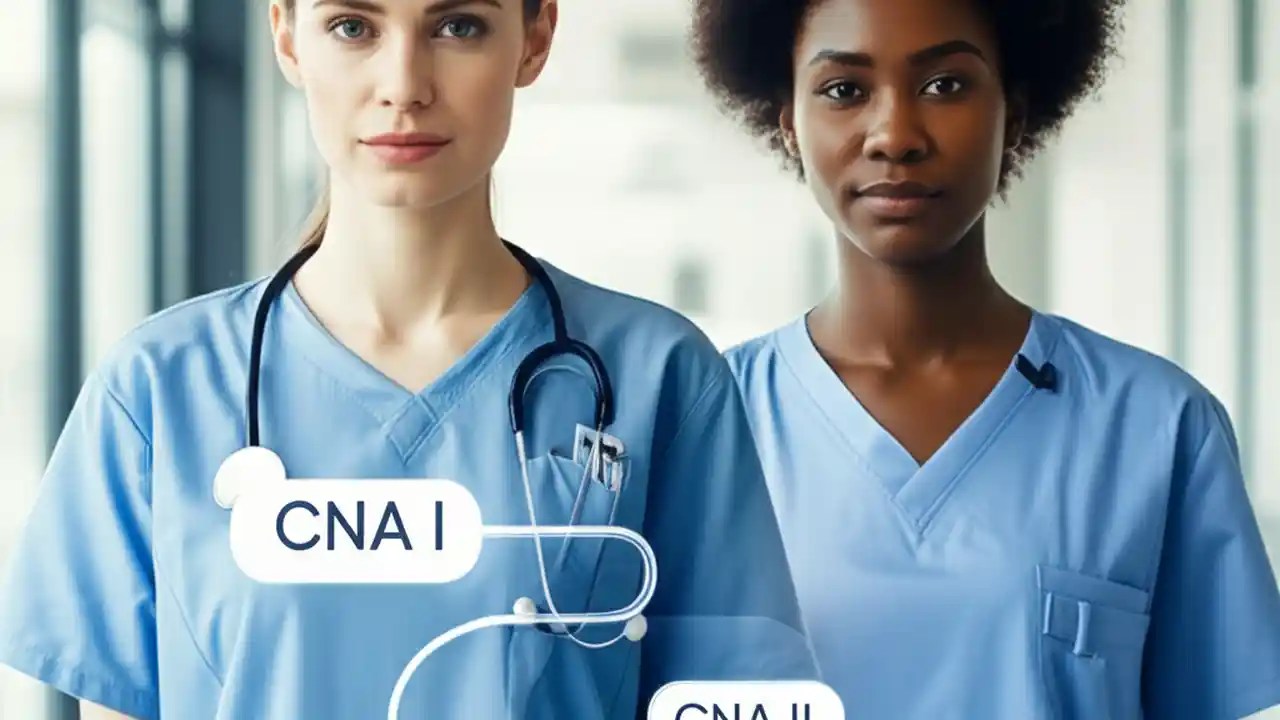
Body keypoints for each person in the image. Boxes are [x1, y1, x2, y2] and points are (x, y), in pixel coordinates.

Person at [0, 1, 818, 718]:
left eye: (457, 26)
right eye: (353, 26)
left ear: (534, 39)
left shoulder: (659, 378)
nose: (404, 82)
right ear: (287, 36)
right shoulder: (157, 391)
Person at [691, 0, 1280, 717]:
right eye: (844, 90)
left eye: (945, 85)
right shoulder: (703, 428)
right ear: (788, 122)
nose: (895, 136)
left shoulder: (1158, 426)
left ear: (1017, 113)